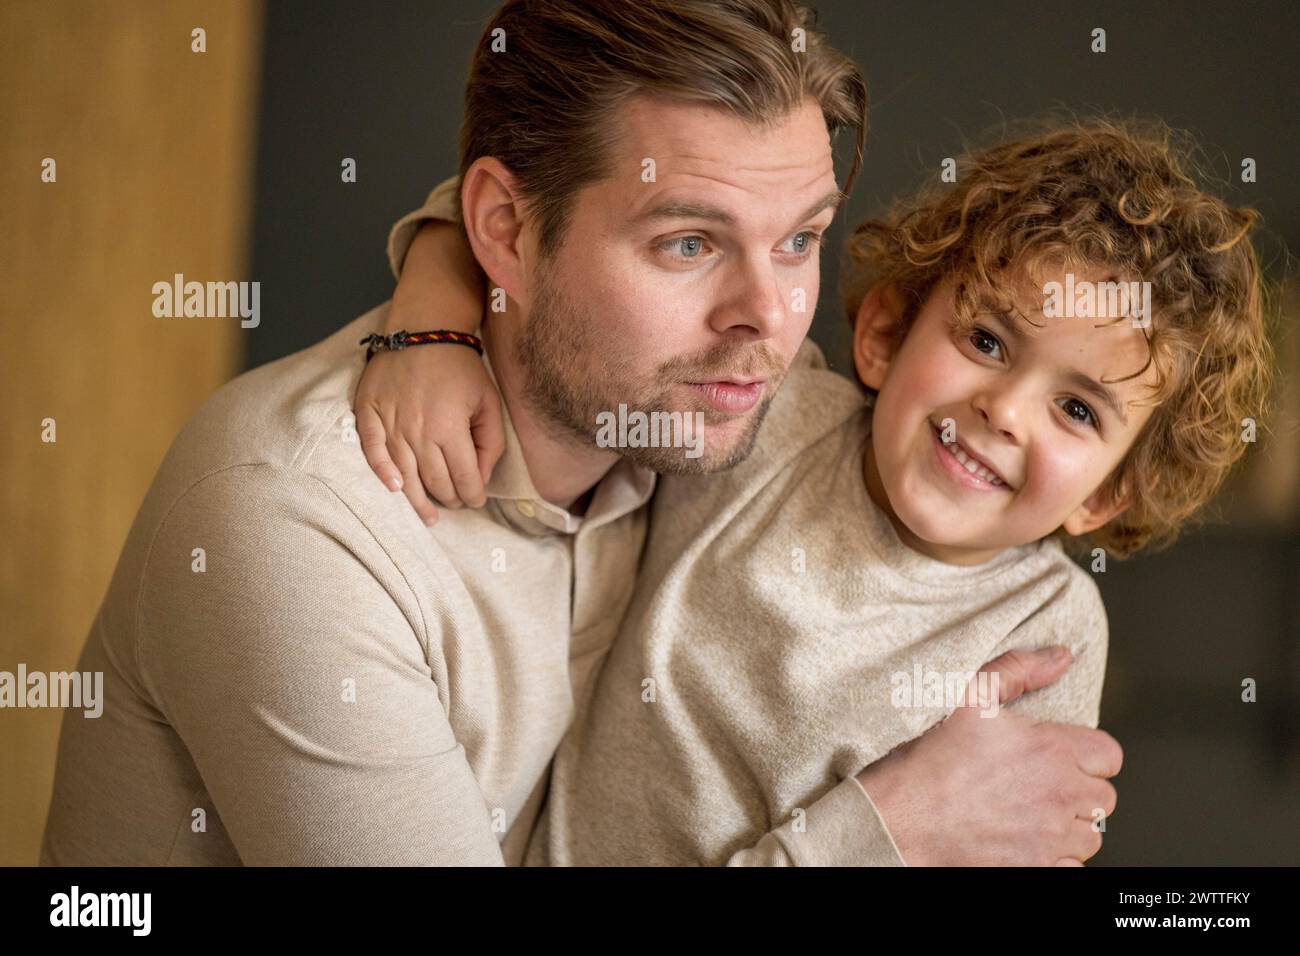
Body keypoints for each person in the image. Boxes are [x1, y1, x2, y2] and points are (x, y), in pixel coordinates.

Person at [41, 0, 1117, 867]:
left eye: (800, 240)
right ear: (504, 232)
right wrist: (885, 837)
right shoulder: (296, 522)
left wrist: (438, 288)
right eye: (688, 244)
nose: (770, 320)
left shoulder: (699, 428)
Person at [355, 121, 1274, 865]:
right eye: (987, 342)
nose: (1004, 412)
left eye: (1076, 409)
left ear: (1107, 496)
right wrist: (432, 327)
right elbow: (501, 217)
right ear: (884, 333)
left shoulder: (1047, 629)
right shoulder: (770, 414)